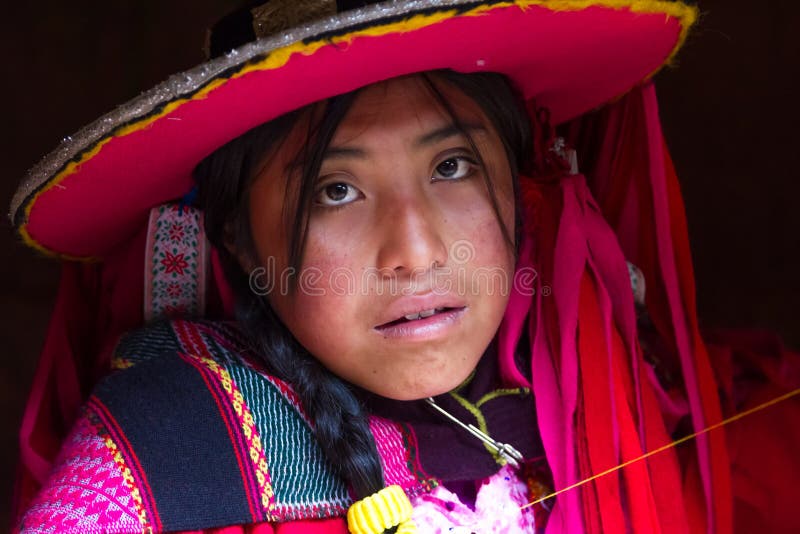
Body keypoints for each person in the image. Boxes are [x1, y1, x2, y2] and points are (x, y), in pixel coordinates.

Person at [9, 1, 799, 533]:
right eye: (337, 190)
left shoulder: (636, 398)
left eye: (452, 167)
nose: (416, 252)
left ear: (522, 185)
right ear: (239, 239)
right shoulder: (156, 458)